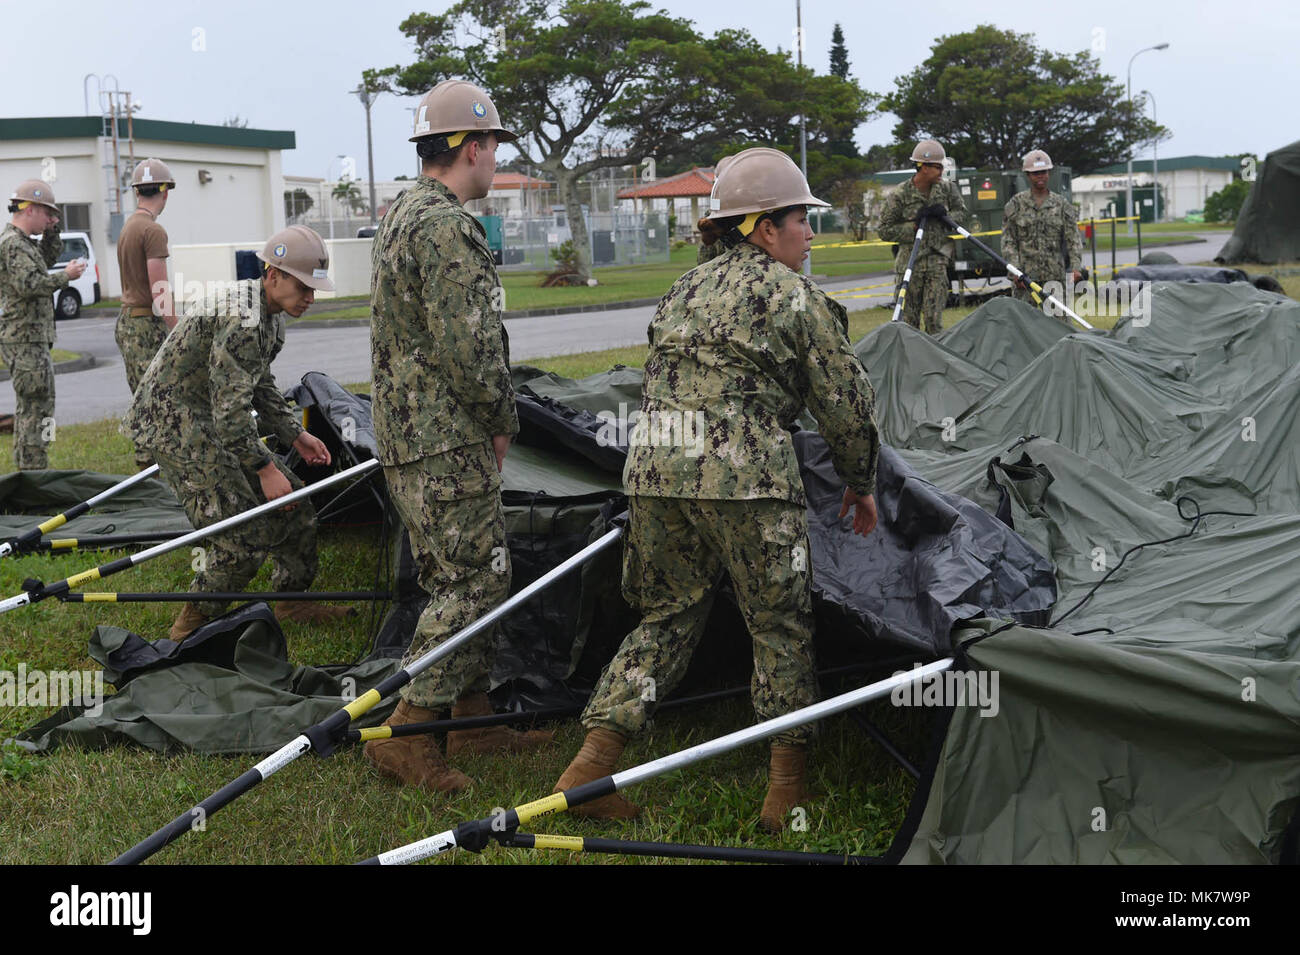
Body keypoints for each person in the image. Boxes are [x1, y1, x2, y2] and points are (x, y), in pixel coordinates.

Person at [552, 147, 882, 832]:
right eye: (801, 220)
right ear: (765, 228)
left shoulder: (681, 290)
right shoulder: (795, 297)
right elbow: (846, 407)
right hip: (748, 480)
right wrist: (862, 482)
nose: (811, 235)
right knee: (780, 627)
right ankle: (786, 791)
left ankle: (589, 769)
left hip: (655, 473)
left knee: (667, 616)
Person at [363, 79, 552, 795]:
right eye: (494, 146)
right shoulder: (445, 225)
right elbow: (471, 348)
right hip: (445, 435)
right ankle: (410, 729)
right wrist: (501, 418)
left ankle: (471, 714)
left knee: (454, 572)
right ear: (472, 147)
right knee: (479, 576)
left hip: (411, 434)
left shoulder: (401, 212)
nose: (495, 158)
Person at [121, 225, 353, 640]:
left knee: (295, 506)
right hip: (174, 425)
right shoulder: (242, 315)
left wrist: (294, 435)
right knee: (241, 541)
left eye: (315, 289)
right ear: (273, 275)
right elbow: (231, 414)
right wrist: (265, 470)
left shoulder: (271, 316)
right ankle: (186, 630)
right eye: (303, 286)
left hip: (208, 419)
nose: (311, 298)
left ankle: (292, 605)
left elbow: (259, 384)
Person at [0, 180, 85, 470]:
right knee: (38, 408)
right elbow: (29, 284)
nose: (50, 219)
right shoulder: (12, 244)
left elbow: (44, 259)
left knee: (34, 407)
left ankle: (30, 472)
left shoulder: (23, 244)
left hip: (30, 339)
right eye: (47, 213)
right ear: (31, 209)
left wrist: (53, 230)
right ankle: (35, 471)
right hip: (24, 339)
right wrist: (66, 277)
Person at [116, 158, 179, 469]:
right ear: (165, 192)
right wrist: (179, 329)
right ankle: (150, 473)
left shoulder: (129, 226)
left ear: (138, 192)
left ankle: (147, 470)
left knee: (143, 397)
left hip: (128, 320)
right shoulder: (153, 230)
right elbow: (160, 289)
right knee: (156, 400)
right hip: (144, 325)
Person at [876, 140, 969, 334]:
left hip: (937, 261)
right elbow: (884, 229)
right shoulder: (900, 194)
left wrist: (944, 216)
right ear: (923, 167)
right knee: (909, 323)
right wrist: (914, 226)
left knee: (933, 321)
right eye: (937, 167)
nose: (941, 171)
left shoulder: (947, 189)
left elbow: (962, 214)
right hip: (910, 263)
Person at [1001, 149, 1083, 312]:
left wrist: (1075, 267)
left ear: (1049, 173)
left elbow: (1073, 238)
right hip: (1024, 279)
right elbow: (1008, 241)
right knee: (1024, 325)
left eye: (1043, 172)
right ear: (1028, 175)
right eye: (1035, 173)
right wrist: (1015, 271)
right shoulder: (1016, 205)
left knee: (1059, 326)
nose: (1040, 176)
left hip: (1055, 278)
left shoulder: (1061, 204)